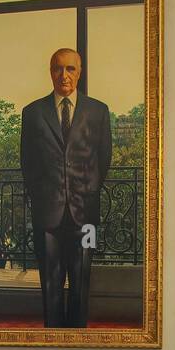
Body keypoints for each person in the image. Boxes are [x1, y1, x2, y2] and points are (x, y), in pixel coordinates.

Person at [19, 48, 112, 328]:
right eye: (58, 69)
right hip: (47, 216)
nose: (64, 75)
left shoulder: (98, 111)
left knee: (82, 281)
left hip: (86, 217)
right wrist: (41, 195)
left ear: (80, 72)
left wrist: (88, 191)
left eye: (71, 69)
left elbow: (104, 157)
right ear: (50, 72)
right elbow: (28, 161)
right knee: (50, 283)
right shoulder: (32, 112)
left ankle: (78, 342)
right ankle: (53, 342)